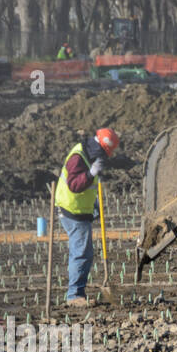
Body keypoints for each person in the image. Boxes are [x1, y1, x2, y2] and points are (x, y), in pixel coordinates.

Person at [55, 128, 119, 306]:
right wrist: (91, 173)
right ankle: (74, 295)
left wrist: (94, 204)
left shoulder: (89, 153)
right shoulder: (78, 157)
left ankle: (77, 293)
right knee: (81, 252)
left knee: (85, 252)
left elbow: (87, 187)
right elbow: (75, 185)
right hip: (72, 210)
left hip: (81, 209)